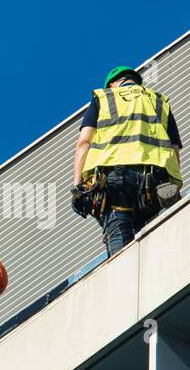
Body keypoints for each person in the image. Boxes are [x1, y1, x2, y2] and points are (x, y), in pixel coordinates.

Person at [71, 66, 183, 254]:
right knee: (149, 239)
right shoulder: (159, 101)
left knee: (119, 237)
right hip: (154, 182)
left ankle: (123, 280)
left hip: (115, 180)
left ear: (113, 84)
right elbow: (173, 149)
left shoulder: (104, 98)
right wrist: (173, 182)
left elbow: (83, 142)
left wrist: (78, 186)